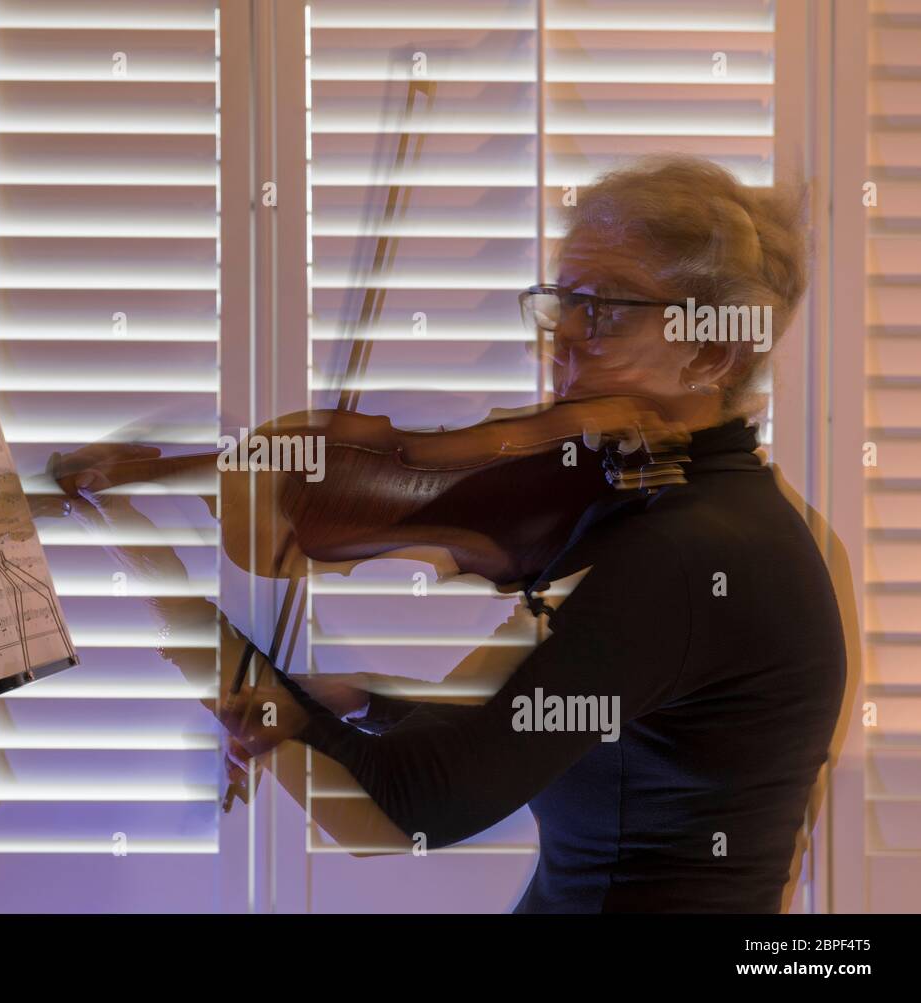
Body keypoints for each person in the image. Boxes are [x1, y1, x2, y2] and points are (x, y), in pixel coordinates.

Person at [52, 155, 850, 913]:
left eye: (603, 308)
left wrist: (163, 589)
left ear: (710, 352)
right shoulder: (706, 514)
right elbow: (531, 719)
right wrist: (366, 701)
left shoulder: (685, 554)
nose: (560, 338)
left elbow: (404, 808)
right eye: (558, 300)